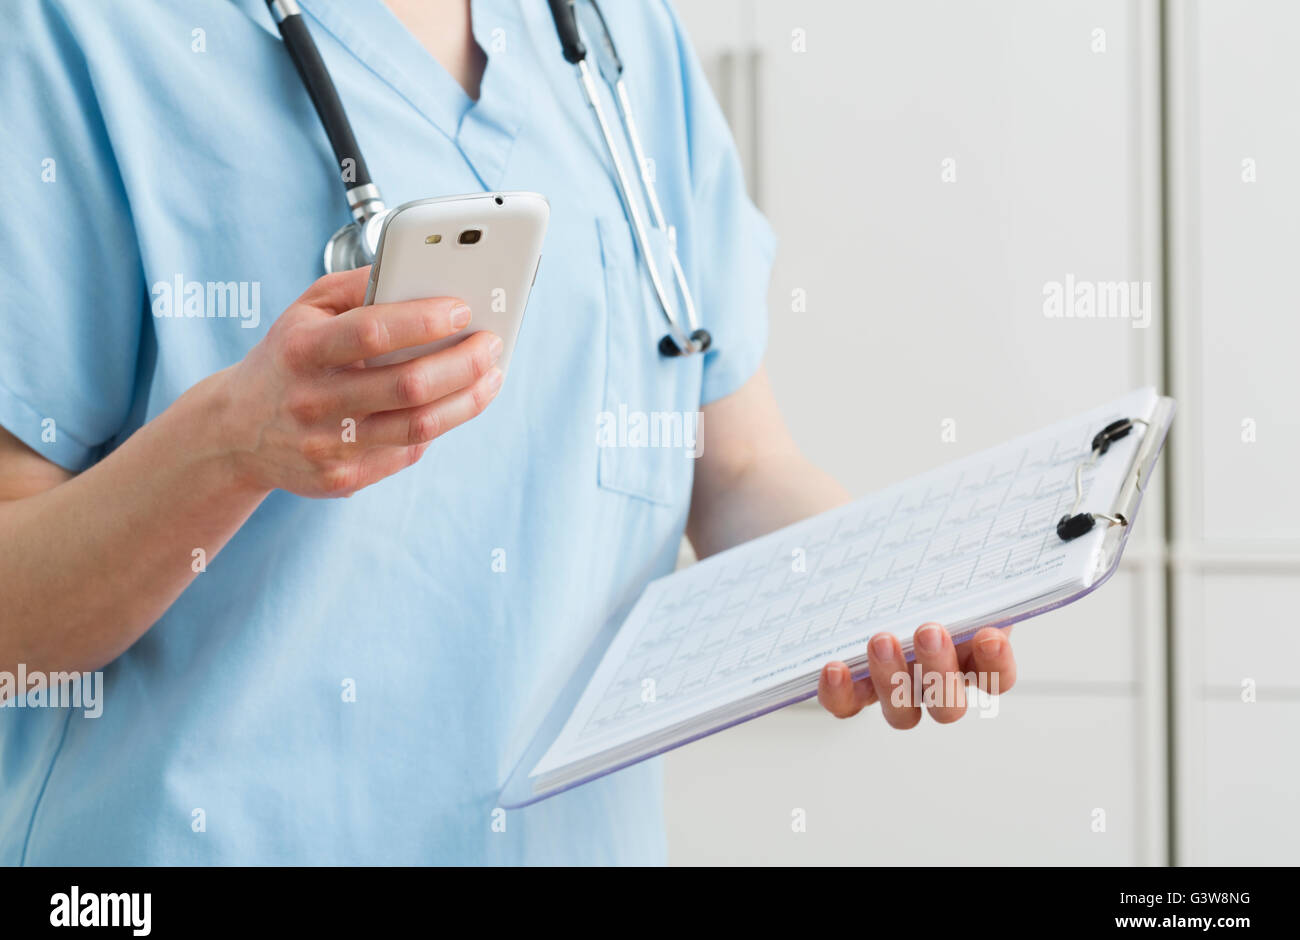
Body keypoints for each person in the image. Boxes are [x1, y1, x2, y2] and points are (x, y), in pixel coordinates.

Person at [0, 0, 1016, 865]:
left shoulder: (609, 37)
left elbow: (741, 465)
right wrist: (230, 446)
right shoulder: (73, 32)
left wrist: (888, 592)